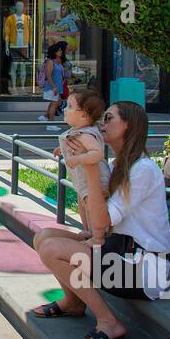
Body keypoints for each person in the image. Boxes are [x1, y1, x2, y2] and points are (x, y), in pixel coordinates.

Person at [32, 101, 170, 339]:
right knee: (43, 237)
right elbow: (94, 223)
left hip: (147, 272)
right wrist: (83, 166)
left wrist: (90, 167)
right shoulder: (115, 166)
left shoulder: (143, 170)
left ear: (129, 126)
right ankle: (73, 301)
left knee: (52, 249)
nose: (101, 124)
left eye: (109, 118)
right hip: (120, 253)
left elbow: (103, 221)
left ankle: (109, 322)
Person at [54, 87, 110, 245]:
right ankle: (89, 230)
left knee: (92, 206)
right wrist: (63, 151)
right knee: (84, 205)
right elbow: (76, 147)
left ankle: (97, 236)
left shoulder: (86, 134)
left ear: (84, 114)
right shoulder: (77, 131)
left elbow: (97, 153)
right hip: (83, 180)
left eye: (70, 106)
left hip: (93, 180)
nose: (65, 109)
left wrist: (78, 159)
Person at [38, 41, 67, 128]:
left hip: (57, 86)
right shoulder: (50, 62)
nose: (61, 52)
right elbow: (48, 76)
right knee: (54, 104)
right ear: (54, 52)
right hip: (52, 87)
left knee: (54, 103)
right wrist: (54, 87)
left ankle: (46, 118)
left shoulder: (57, 61)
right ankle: (51, 124)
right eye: (59, 51)